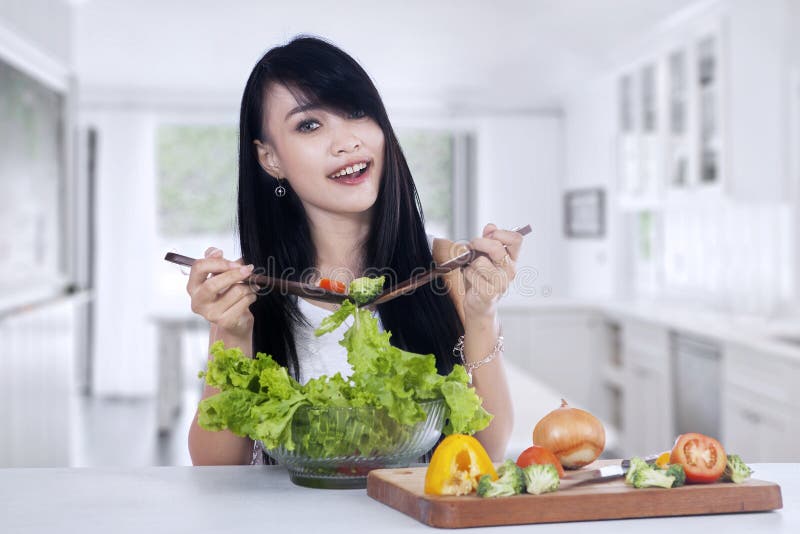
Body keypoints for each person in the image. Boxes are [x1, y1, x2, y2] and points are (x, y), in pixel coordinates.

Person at [187, 36, 520, 466]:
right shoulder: (251, 295)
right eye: (309, 125)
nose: (346, 142)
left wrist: (482, 314)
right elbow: (216, 471)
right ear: (270, 159)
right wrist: (233, 336)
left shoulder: (443, 267)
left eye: (356, 112)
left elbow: (485, 451)